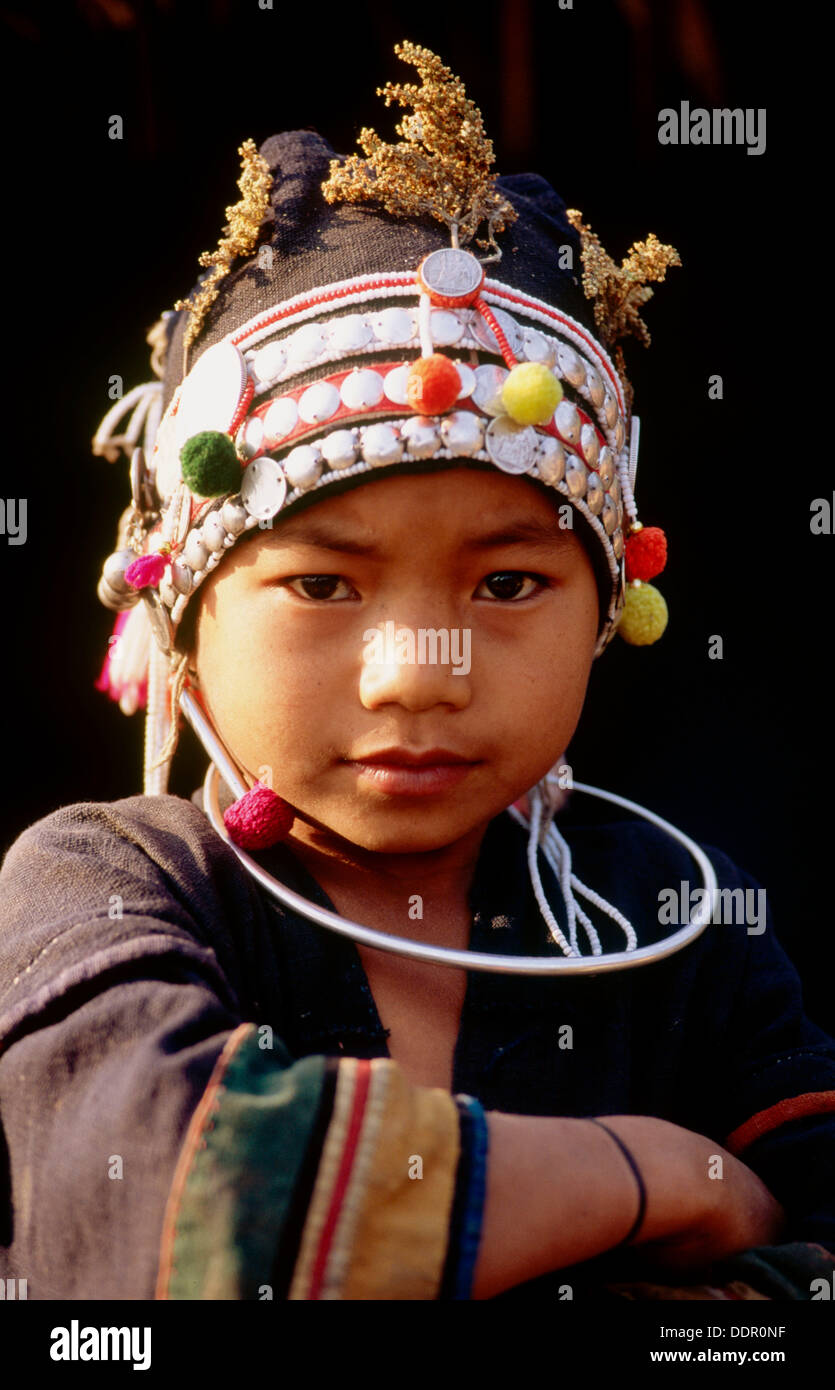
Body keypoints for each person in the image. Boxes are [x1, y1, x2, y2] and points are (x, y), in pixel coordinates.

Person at [0, 42, 833, 1302]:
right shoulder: (107, 882)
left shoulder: (675, 922)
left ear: (609, 608)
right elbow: (183, 1206)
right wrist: (654, 1174)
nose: (412, 678)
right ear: (178, 612)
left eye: (507, 585)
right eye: (322, 584)